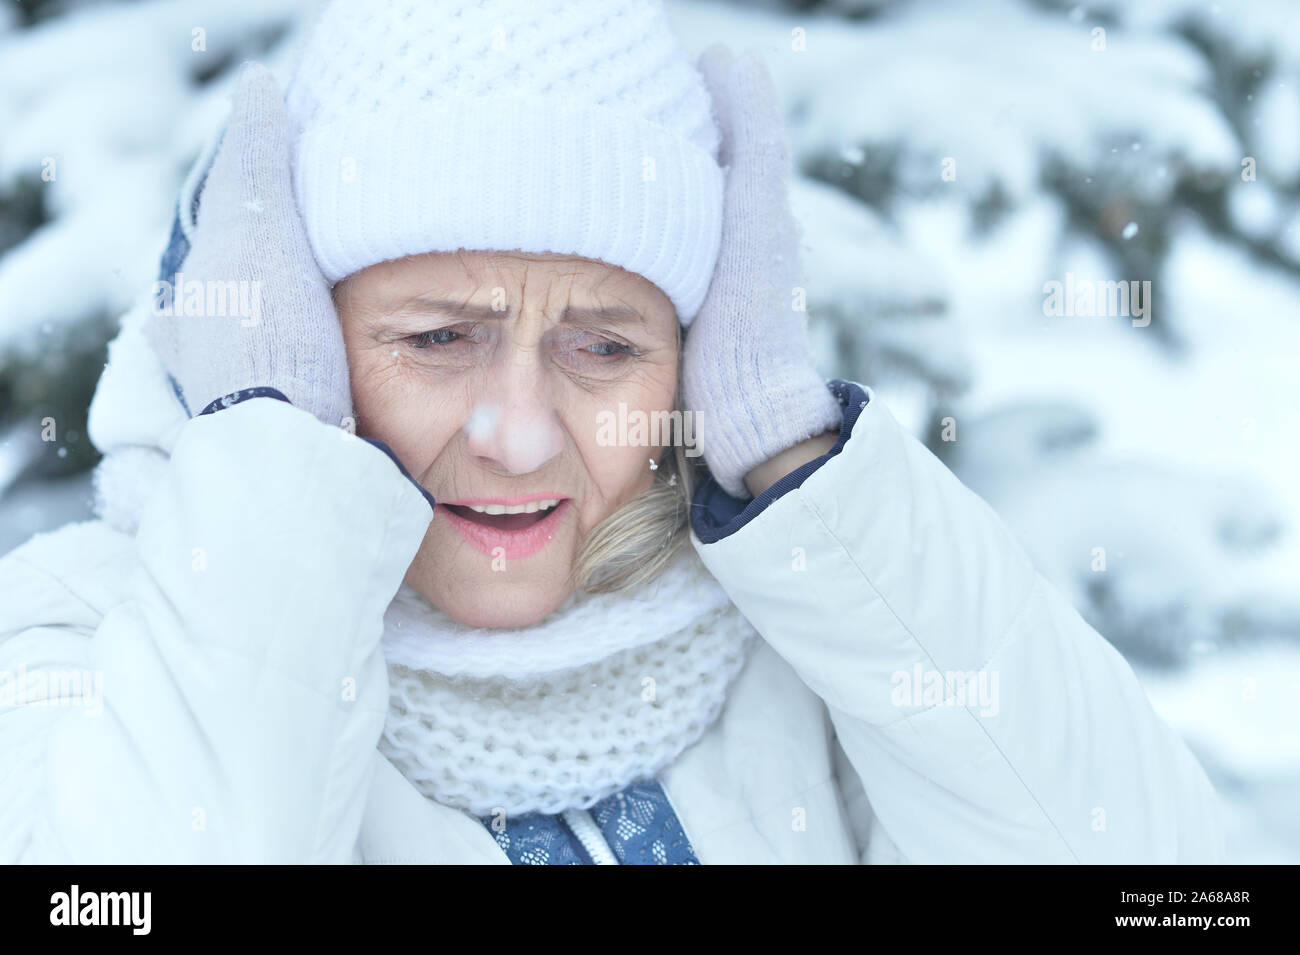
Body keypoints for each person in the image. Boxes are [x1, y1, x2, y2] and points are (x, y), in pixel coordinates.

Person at [0, 0, 1223, 864]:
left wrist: (791, 459)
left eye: (606, 345)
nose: (521, 434)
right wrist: (270, 460)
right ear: (302, 344)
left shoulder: (816, 637)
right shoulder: (79, 636)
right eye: (436, 338)